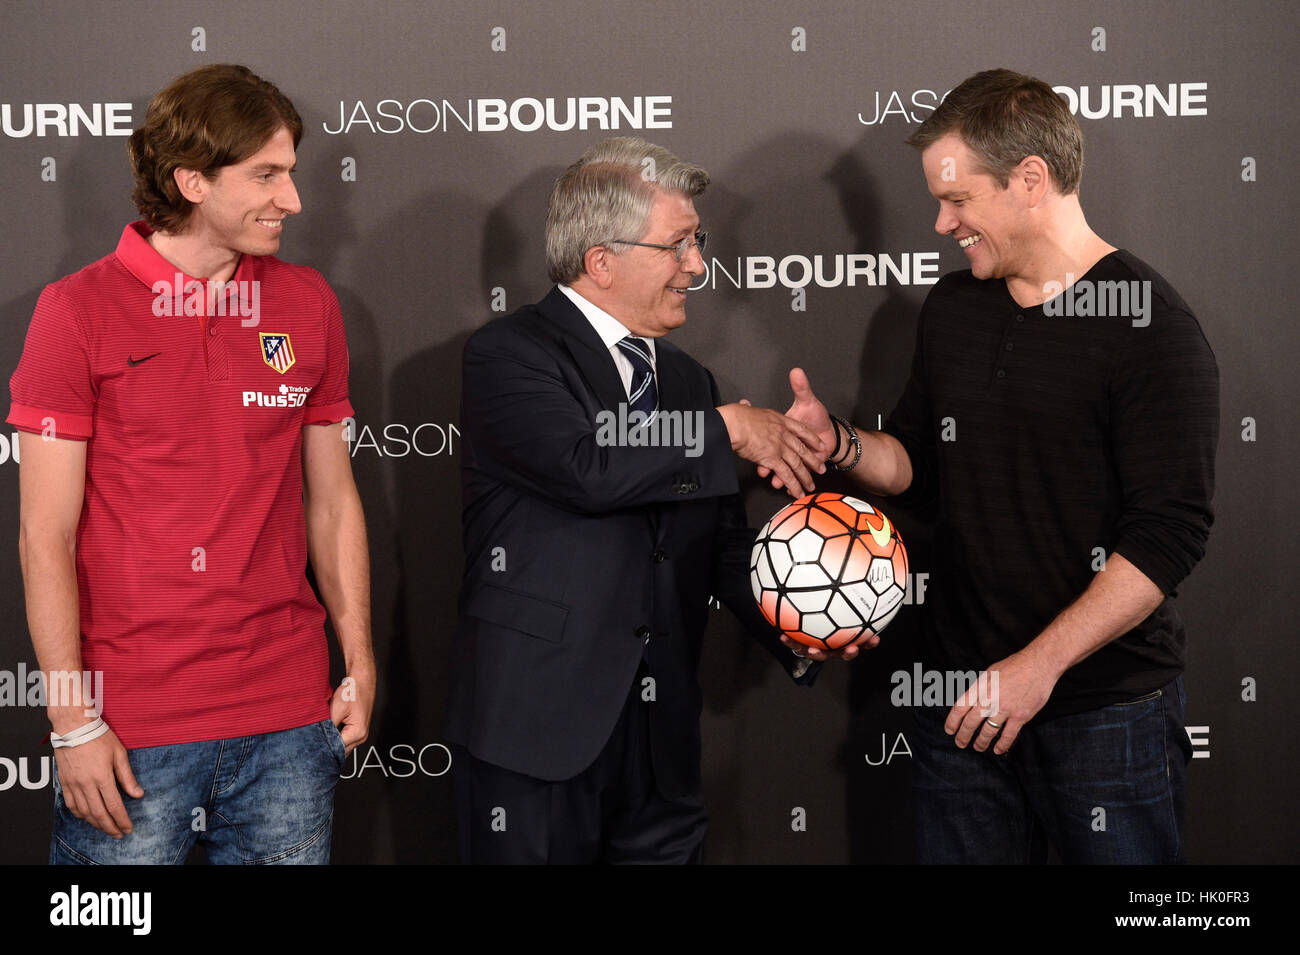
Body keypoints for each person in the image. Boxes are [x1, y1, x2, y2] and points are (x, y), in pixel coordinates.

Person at [776, 69, 1218, 863]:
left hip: (1102, 713)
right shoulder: (955, 308)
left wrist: (1036, 668)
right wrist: (837, 443)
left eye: (957, 199)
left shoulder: (1151, 327)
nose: (942, 223)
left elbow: (1168, 536)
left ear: (1030, 179)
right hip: (958, 705)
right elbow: (918, 463)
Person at [9, 64, 374, 864]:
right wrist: (72, 718)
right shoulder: (75, 312)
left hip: (289, 718)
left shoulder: (308, 302)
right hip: (132, 730)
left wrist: (361, 657)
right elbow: (46, 532)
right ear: (191, 181)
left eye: (293, 174)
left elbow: (334, 503)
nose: (294, 200)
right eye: (267, 176)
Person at [446, 136, 828, 864]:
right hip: (538, 737)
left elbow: (715, 545)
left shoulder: (689, 379)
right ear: (601, 260)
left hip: (662, 750)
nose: (697, 265)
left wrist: (803, 618)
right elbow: (587, 465)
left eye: (698, 241)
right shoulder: (510, 354)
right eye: (678, 245)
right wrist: (725, 429)